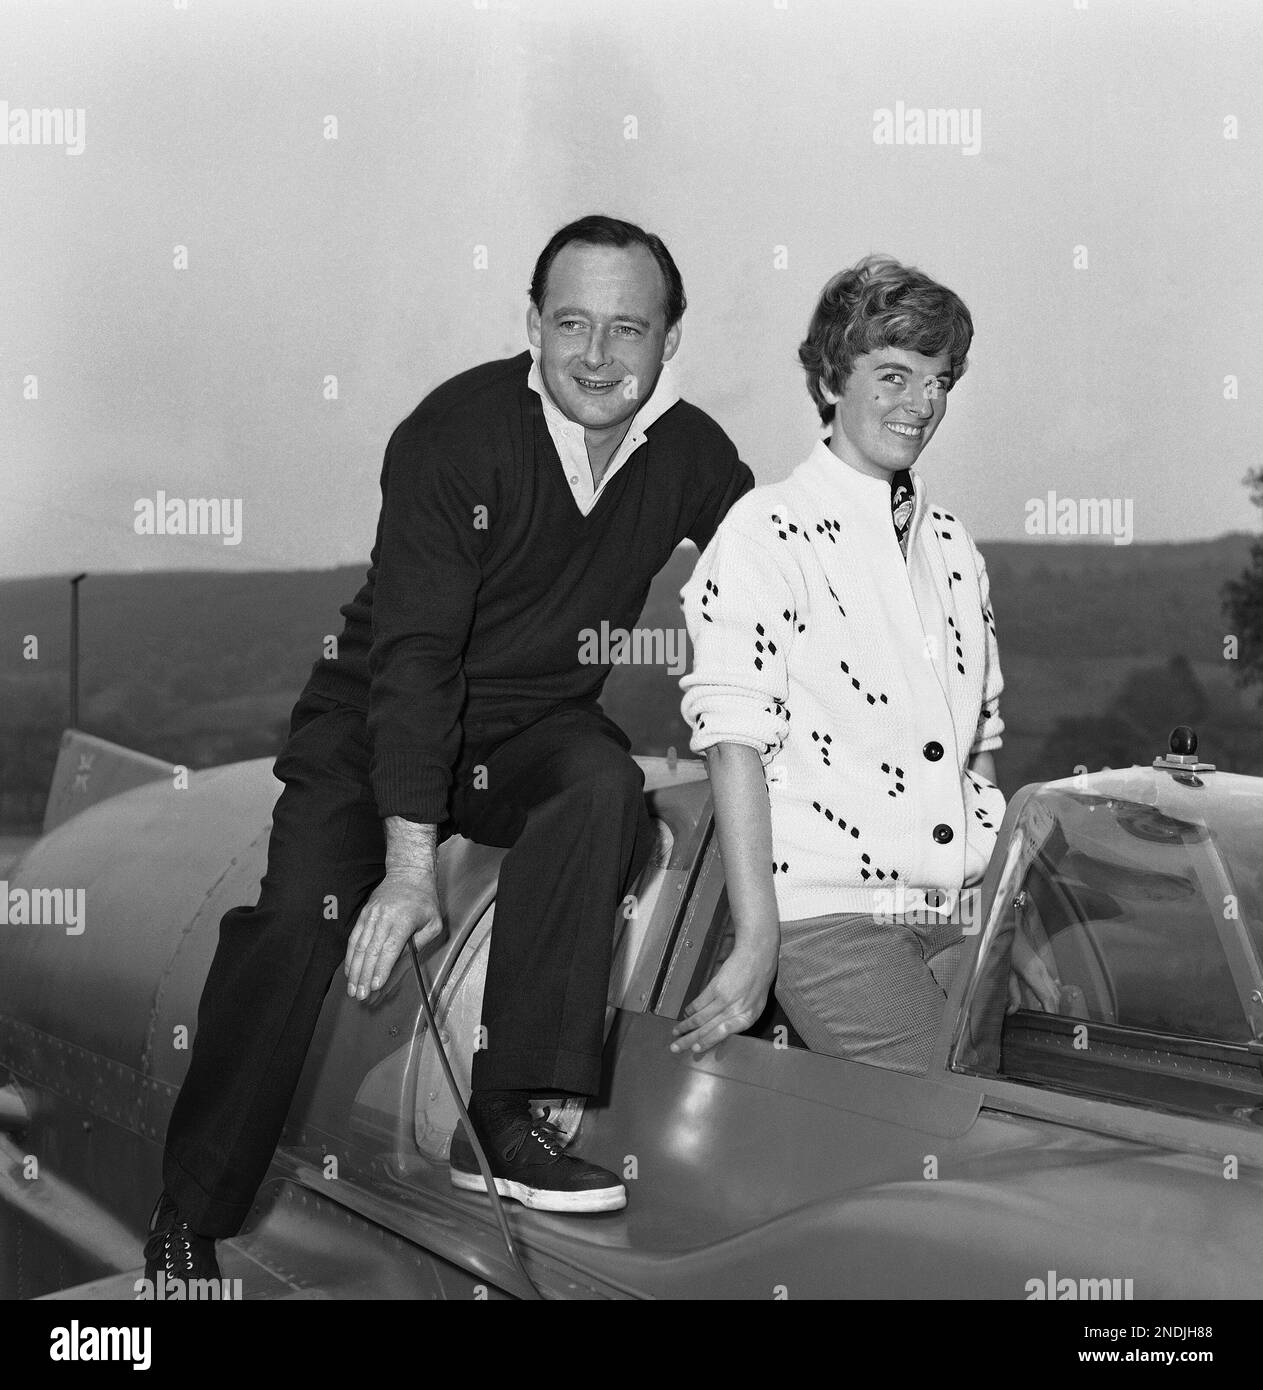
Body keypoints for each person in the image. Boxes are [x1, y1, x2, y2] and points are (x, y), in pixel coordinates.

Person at [144, 214, 754, 1282]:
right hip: (377, 718)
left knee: (605, 786)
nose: (598, 357)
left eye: (627, 328)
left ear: (669, 342)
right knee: (295, 928)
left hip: (531, 725)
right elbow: (416, 661)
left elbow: (772, 581)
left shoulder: (692, 453)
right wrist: (410, 865)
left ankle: (511, 1120)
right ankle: (190, 1214)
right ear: (530, 324)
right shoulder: (455, 435)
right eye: (572, 323)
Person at [675, 254, 1015, 1072]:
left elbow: (981, 745)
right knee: (958, 1111)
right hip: (830, 918)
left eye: (938, 381)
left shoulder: (951, 546)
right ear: (831, 380)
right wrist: (757, 942)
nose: (920, 404)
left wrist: (1006, 908)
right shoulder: (764, 532)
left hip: (964, 908)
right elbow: (733, 745)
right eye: (893, 375)